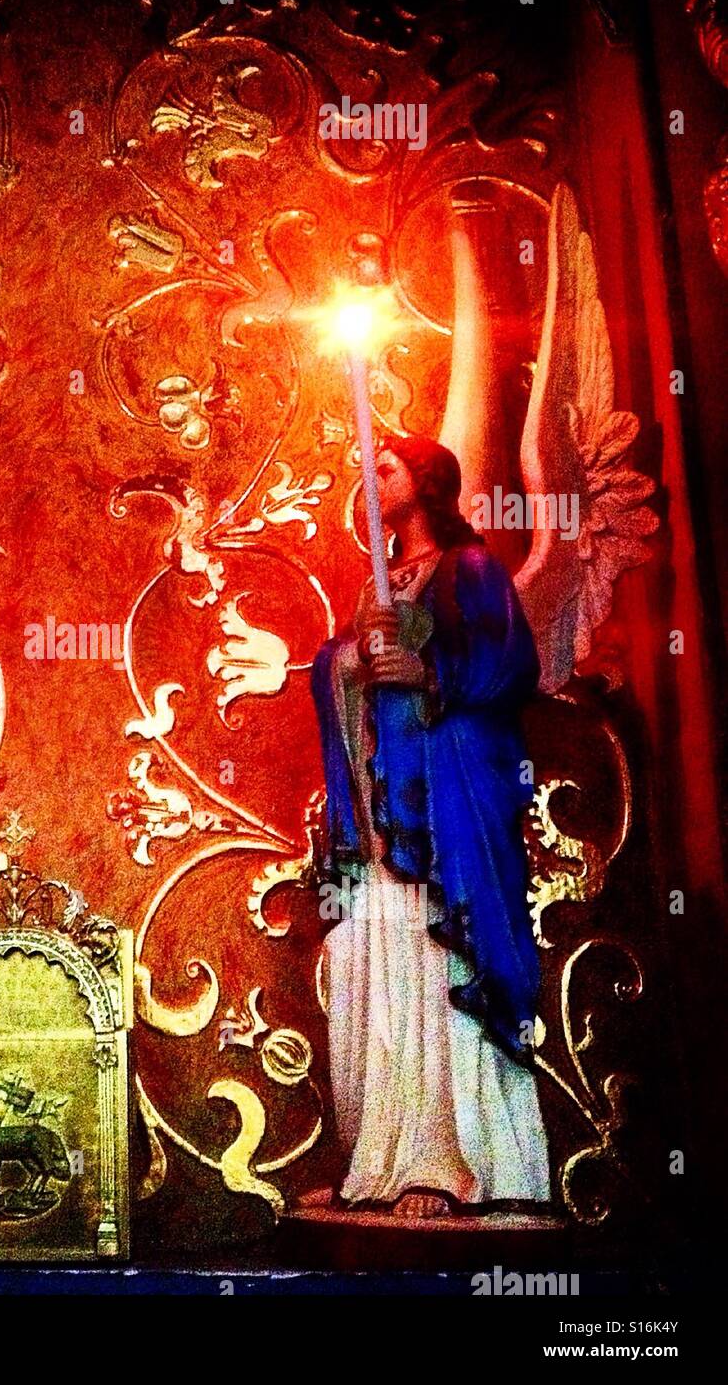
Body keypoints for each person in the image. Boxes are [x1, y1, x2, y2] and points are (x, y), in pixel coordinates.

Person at [308, 435, 551, 1218]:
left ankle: (460, 1162)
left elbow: (513, 666)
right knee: (394, 968)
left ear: (428, 481)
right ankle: (389, 1152)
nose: (369, 475)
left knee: (448, 961)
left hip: (455, 808)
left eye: (385, 465)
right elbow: (351, 681)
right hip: (394, 816)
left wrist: (428, 672)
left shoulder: (472, 569)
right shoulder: (376, 588)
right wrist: (345, 664)